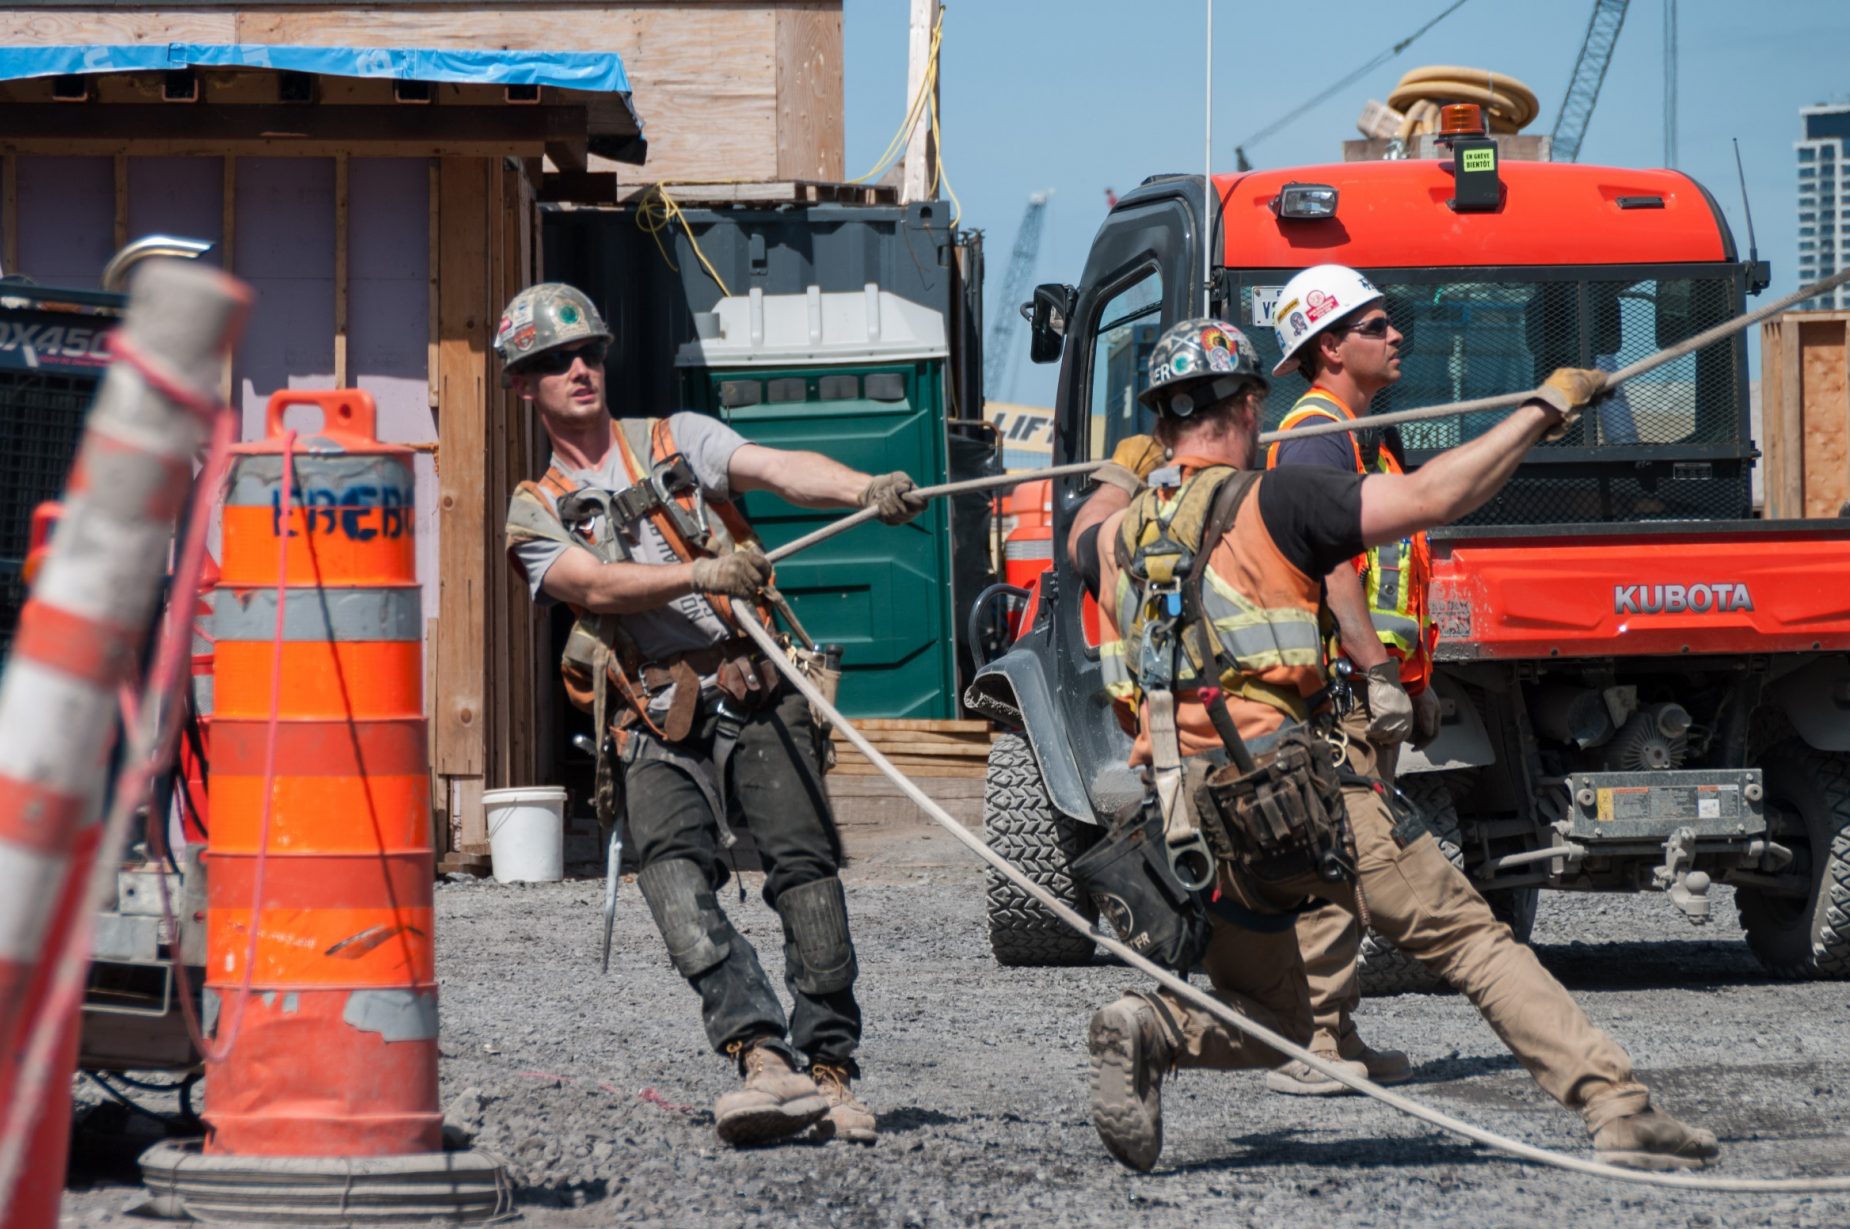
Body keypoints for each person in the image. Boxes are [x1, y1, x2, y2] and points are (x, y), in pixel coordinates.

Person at [1075, 316, 1718, 1173]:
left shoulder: (1122, 538)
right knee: (1473, 940)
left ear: (1162, 424)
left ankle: (1153, 1025)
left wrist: (1118, 472)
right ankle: (1618, 1106)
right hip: (1296, 795)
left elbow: (1090, 520)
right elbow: (1435, 498)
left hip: (1189, 818)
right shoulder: (1277, 500)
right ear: (1250, 406)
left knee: (1278, 1025)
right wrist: (1541, 409)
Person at [497, 283, 925, 1148]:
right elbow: (590, 585)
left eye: (589, 352)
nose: (578, 368)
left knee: (804, 870)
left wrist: (862, 488)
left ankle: (831, 1067)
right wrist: (696, 576)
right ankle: (761, 1056)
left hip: (751, 684)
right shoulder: (533, 510)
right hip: (651, 712)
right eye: (553, 361)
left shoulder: (675, 441)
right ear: (523, 386)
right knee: (674, 875)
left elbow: (773, 467)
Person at [1260, 264, 1438, 1096]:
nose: (1395, 333)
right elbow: (1334, 574)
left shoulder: (1361, 433)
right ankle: (1313, 1043)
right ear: (1329, 347)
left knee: (1353, 865)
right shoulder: (1315, 434)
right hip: (1342, 694)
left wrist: (1412, 675)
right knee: (1337, 861)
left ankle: (1338, 1029)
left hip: (1369, 688)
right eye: (1374, 325)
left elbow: (1389, 574)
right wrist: (1377, 674)